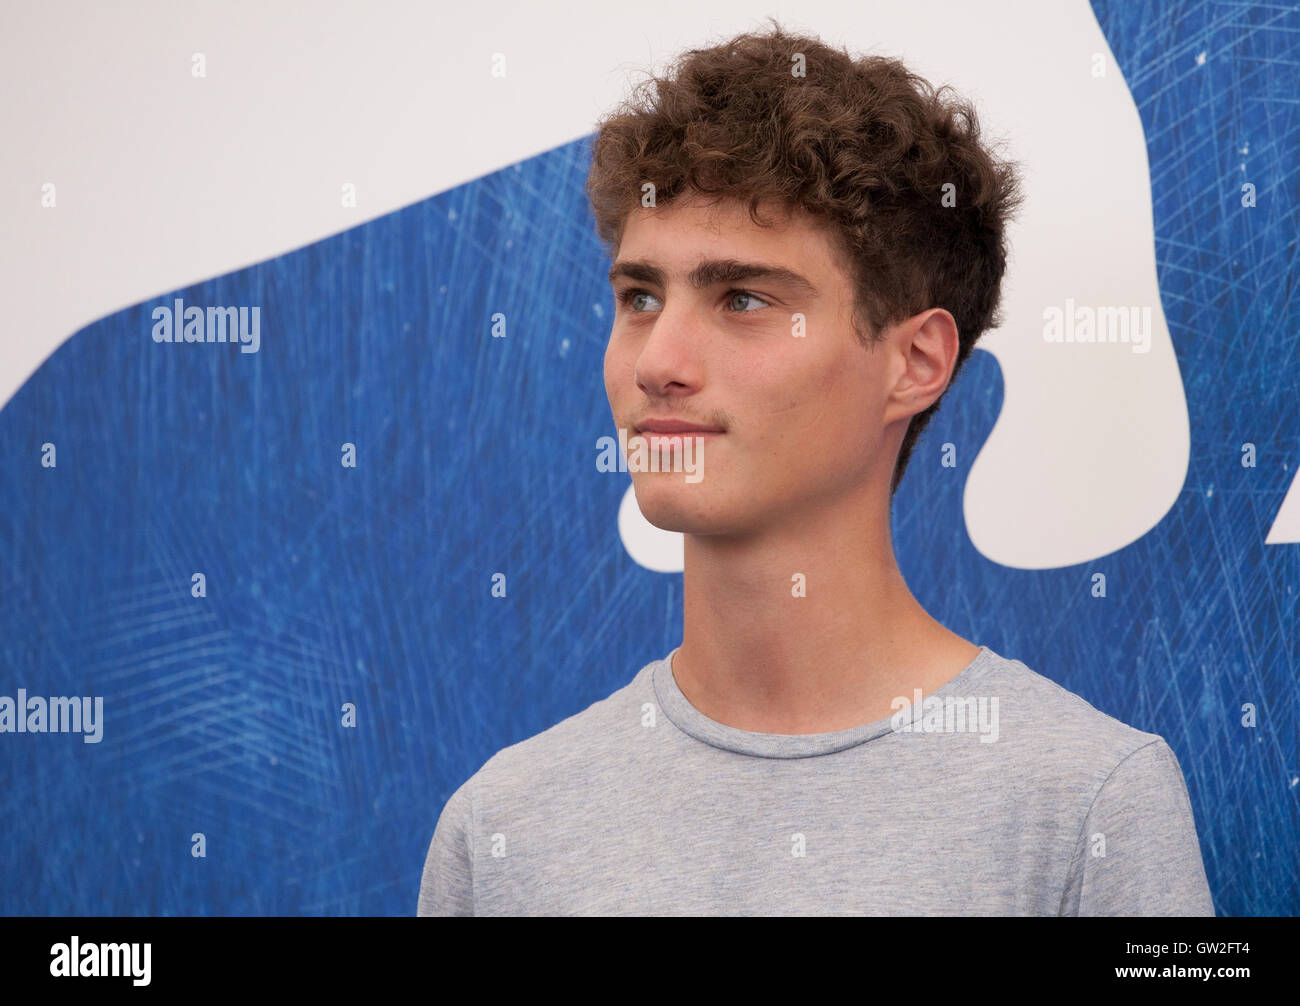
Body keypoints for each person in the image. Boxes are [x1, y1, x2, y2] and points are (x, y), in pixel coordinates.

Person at [418, 19, 1214, 916]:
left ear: (915, 363)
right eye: (640, 296)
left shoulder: (1090, 808)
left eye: (744, 299)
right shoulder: (502, 831)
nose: (657, 360)